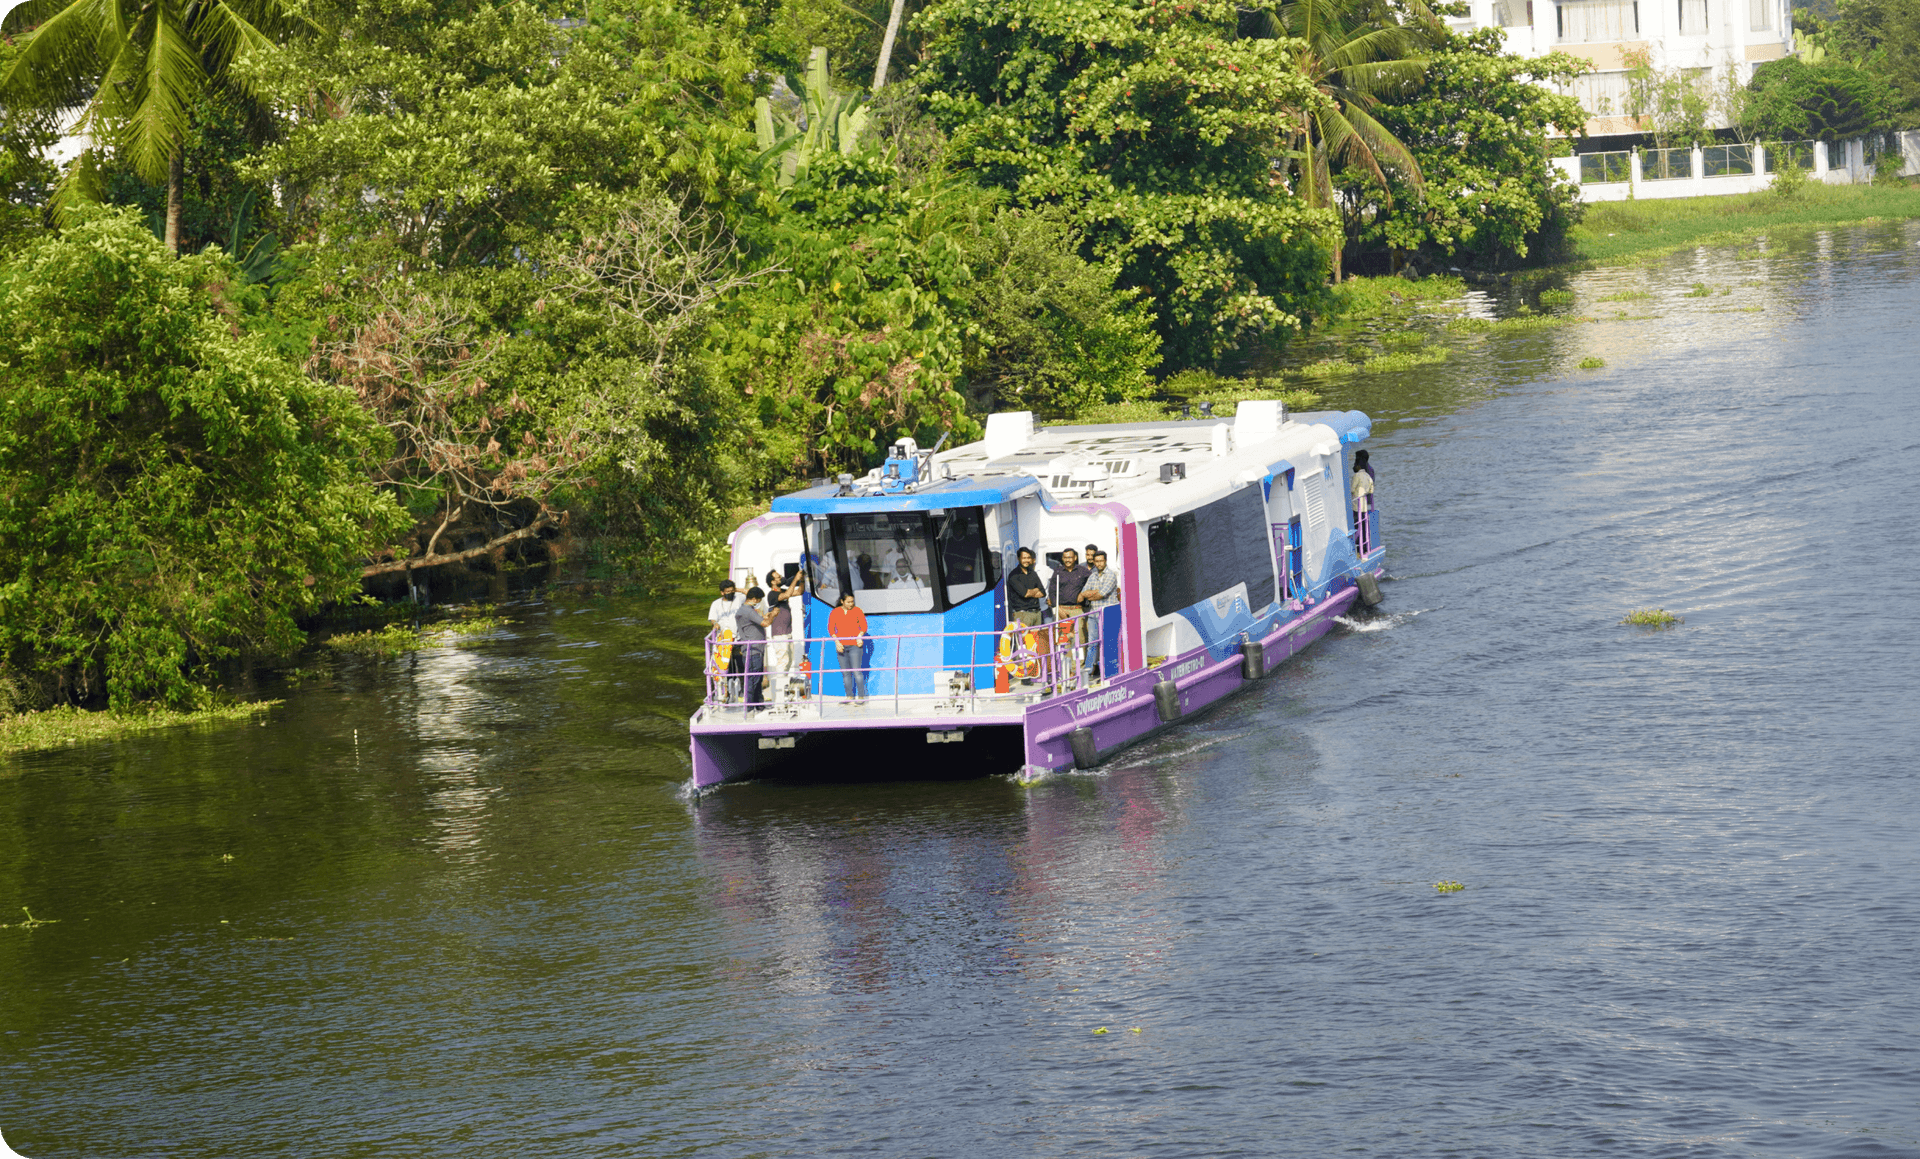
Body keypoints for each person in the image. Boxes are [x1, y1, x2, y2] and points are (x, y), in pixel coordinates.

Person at [1078, 550, 1122, 679]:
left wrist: (1092, 594)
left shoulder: (1111, 575)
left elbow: (1101, 594)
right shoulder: (1093, 576)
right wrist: (1094, 593)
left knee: (1108, 643)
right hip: (1093, 615)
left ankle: (1109, 672)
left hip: (1108, 614)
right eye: (1096, 561)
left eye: (1101, 561)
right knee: (1092, 643)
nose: (1099, 563)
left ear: (1105, 561)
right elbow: (1082, 594)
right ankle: (1088, 670)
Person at [706, 580, 744, 701]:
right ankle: (728, 692)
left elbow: (752, 593)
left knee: (741, 664)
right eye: (727, 592)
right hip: (724, 640)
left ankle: (743, 690)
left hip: (738, 638)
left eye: (732, 591)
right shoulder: (716, 604)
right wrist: (716, 624)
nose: (730, 593)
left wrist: (737, 590)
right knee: (726, 666)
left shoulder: (739, 599)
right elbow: (712, 619)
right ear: (722, 592)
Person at [828, 591, 869, 703]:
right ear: (842, 601)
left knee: (856, 671)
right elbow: (831, 629)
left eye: (852, 601)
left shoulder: (857, 611)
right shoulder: (835, 612)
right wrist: (837, 642)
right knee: (845, 673)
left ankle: (861, 697)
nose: (851, 604)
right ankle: (849, 696)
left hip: (855, 645)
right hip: (841, 646)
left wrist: (860, 636)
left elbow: (864, 626)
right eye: (848, 602)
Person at [765, 569, 798, 706]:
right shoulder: (772, 594)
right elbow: (788, 593)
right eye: (778, 577)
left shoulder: (781, 590)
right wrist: (795, 579)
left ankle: (785, 694)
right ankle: (779, 698)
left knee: (788, 662)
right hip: (779, 634)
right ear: (772, 581)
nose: (781, 578)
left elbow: (798, 592)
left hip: (787, 633)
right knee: (782, 662)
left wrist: (801, 581)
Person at [737, 587, 770, 707]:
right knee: (753, 679)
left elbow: (759, 620)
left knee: (757, 678)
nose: (759, 602)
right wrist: (773, 615)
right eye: (759, 600)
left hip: (755, 650)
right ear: (754, 599)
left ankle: (758, 703)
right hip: (752, 650)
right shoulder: (748, 611)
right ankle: (750, 707)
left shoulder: (747, 610)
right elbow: (765, 623)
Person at [1004, 547, 1046, 628]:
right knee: (1024, 640)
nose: (1026, 560)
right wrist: (1036, 590)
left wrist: (1030, 592)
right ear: (1018, 558)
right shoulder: (1014, 575)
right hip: (1023, 615)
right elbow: (1025, 593)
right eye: (1024, 558)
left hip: (1037, 613)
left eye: (1028, 558)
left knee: (1037, 640)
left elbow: (1043, 593)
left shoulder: (1032, 573)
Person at [1351, 449, 1377, 553]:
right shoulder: (1368, 473)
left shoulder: (1359, 474)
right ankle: (1365, 545)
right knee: (1364, 524)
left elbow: (1352, 489)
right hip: (1365, 502)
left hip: (1358, 503)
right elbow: (1371, 487)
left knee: (1358, 523)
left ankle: (1360, 546)